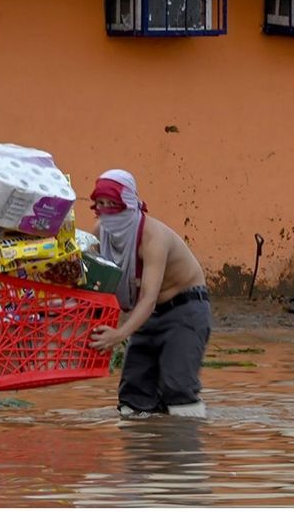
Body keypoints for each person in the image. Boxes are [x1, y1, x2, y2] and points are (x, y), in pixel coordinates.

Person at [87, 170, 211, 415]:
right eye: (100, 204)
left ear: (130, 204)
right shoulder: (100, 232)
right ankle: (142, 450)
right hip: (147, 315)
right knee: (133, 394)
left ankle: (186, 444)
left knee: (178, 389)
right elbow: (89, 276)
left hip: (184, 310)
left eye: (113, 204)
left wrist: (118, 334)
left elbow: (149, 296)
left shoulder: (153, 237)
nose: (107, 211)